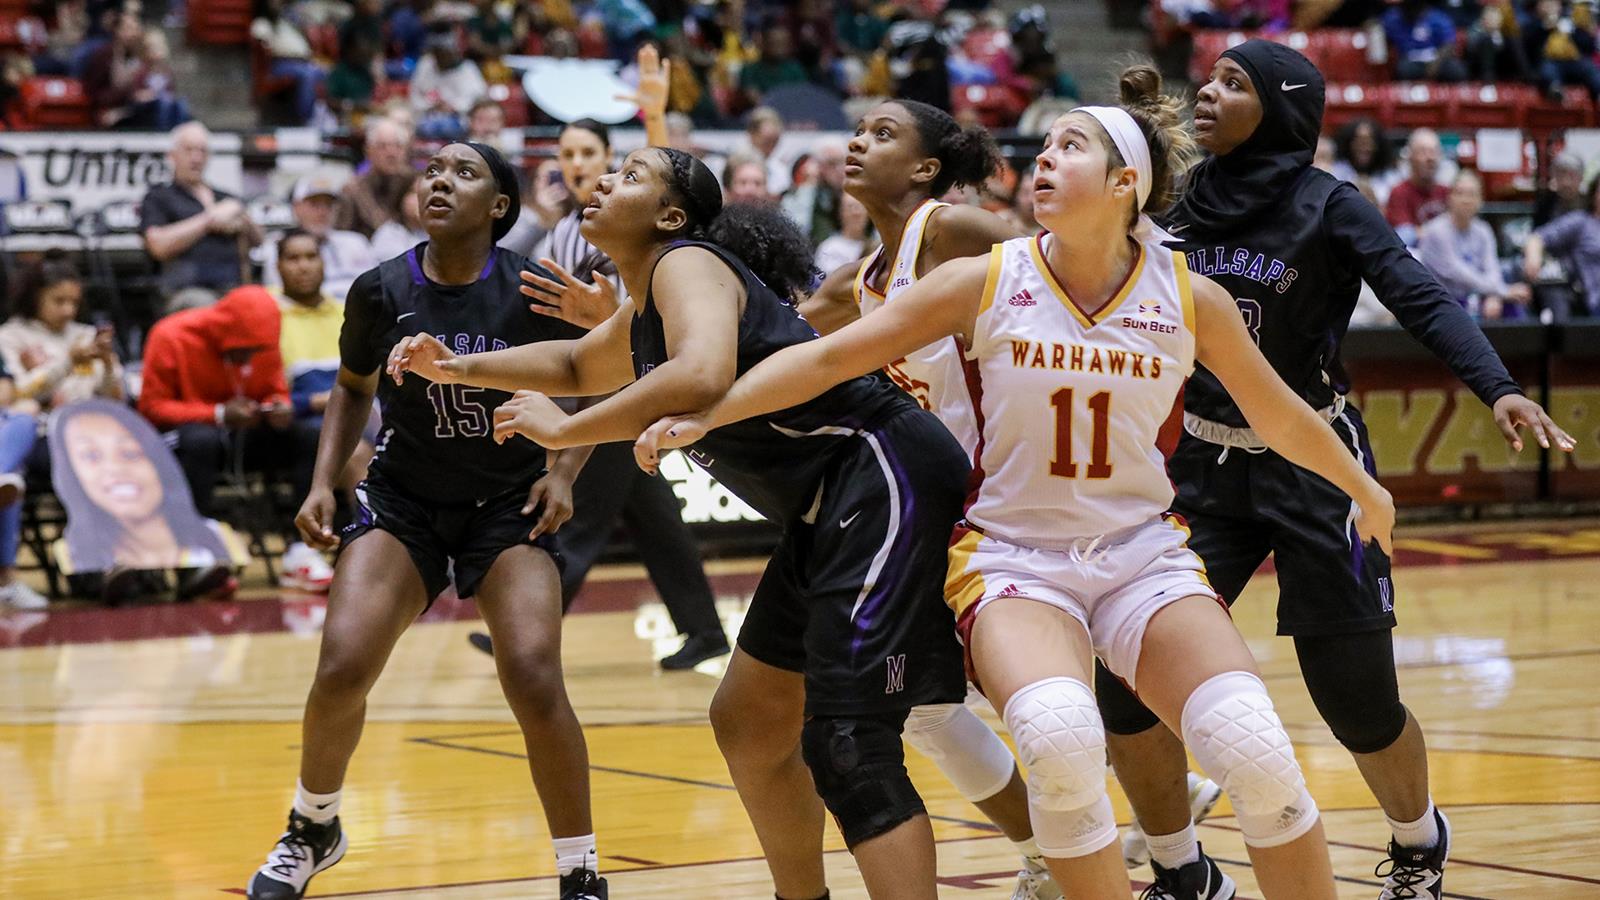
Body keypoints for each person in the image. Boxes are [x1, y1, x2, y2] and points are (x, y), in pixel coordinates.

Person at [632, 65, 1383, 900]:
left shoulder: (1165, 288)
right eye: (1047, 143)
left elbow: (1279, 414)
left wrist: (1364, 487)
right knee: (1039, 735)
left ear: (1125, 182)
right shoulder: (971, 277)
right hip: (1004, 544)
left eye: (1072, 146)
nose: (1045, 157)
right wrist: (704, 410)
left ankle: (1169, 847)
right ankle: (1118, 855)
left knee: (1257, 751)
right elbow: (817, 357)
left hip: (1136, 550)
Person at [388, 152, 972, 900]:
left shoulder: (688, 261)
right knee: (750, 723)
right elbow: (573, 366)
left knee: (851, 742)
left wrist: (565, 436)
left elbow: (700, 375)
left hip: (885, 472)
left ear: (669, 218)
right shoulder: (647, 303)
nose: (604, 181)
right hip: (830, 505)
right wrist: (458, 369)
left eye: (629, 176)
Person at [1094, 41, 1574, 900]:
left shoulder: (1331, 205)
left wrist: (1497, 387)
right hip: (1200, 461)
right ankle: (1180, 869)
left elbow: (1421, 295)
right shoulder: (1185, 199)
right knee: (1124, 681)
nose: (1207, 92)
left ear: (1280, 109)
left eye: (1234, 83)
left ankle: (1418, 843)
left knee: (1354, 701)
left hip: (1313, 461)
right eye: (1210, 78)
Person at [243, 141, 606, 900]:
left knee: (535, 676)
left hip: (508, 503)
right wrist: (322, 483)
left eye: (464, 172)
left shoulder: (535, 290)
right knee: (342, 664)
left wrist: (565, 470)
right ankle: (314, 827)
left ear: (499, 207)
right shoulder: (379, 289)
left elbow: (598, 381)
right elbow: (350, 387)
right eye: (433, 170)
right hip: (404, 499)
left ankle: (579, 871)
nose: (440, 180)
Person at [480, 51, 729, 672]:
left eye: (592, 156)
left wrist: (655, 115)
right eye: (566, 157)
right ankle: (702, 628)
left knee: (581, 504)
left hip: (639, 376)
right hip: (608, 373)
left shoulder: (654, 236)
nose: (579, 166)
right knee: (652, 515)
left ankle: (529, 624)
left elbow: (679, 202)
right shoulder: (567, 230)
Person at [137, 284, 331, 593]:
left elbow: (274, 388)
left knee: (309, 435)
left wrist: (279, 405)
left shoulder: (262, 344)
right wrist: (217, 414)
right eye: (242, 351)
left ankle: (301, 552)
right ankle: (193, 554)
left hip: (245, 436)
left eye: (256, 352)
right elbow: (151, 407)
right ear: (222, 330)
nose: (248, 358)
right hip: (187, 442)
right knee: (201, 440)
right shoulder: (170, 335)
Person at [54, 400, 232, 574]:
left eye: (130, 453)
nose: (115, 469)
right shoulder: (73, 553)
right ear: (72, 475)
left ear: (158, 460)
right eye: (91, 456)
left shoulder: (221, 539)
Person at [272, 229, 376, 519]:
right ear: (278, 266)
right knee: (355, 451)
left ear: (324, 263)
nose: (303, 266)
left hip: (361, 409)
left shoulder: (346, 311)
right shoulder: (267, 313)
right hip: (301, 419)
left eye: (311, 257)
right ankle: (371, 538)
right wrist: (312, 402)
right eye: (293, 258)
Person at [140, 121, 262, 304]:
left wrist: (241, 216)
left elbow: (258, 240)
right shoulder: (159, 197)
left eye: (202, 151)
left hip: (233, 287)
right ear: (172, 156)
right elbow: (158, 246)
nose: (196, 158)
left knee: (262, 303)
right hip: (186, 290)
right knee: (204, 306)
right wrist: (208, 221)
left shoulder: (226, 198)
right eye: (189, 150)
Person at [1418, 171, 1531, 318]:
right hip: (1443, 302)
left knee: (1513, 304)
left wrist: (1494, 296)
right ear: (1450, 198)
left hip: (1477, 296)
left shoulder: (1483, 230)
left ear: (1480, 200)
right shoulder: (1436, 231)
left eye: (1472, 194)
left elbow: (1492, 269)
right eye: (1460, 193)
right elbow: (1457, 273)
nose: (1466, 200)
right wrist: (1501, 291)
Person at [260, 173, 378, 302]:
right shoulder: (277, 246)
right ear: (296, 207)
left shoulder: (356, 242)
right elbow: (280, 297)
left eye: (329, 205)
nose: (322, 212)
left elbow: (376, 287)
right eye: (314, 204)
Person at [1522, 172, 1600, 320]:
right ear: (1594, 194)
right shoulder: (1582, 222)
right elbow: (1536, 238)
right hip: (1593, 301)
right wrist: (1533, 257)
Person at [337, 116, 417, 238]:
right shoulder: (353, 190)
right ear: (368, 151)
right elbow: (342, 238)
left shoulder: (414, 183)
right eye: (382, 146)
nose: (391, 153)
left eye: (398, 146)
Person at [250, 0, 326, 125]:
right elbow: (263, 45)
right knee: (308, 74)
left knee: (323, 72)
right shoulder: (262, 23)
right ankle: (306, 120)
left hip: (303, 63)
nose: (278, 4)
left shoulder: (287, 22)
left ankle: (323, 119)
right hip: (279, 64)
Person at [1384, 128, 1449, 246]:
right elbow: (1404, 237)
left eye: (1434, 152)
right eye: (1423, 152)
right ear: (1410, 158)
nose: (1430, 158)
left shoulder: (1447, 192)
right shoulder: (1399, 192)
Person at [1382, 0, 1467, 82]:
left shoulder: (1438, 18)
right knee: (1403, 69)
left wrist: (1435, 64)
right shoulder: (1394, 19)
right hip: (1411, 61)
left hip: (1436, 59)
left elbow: (1449, 44)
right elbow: (1380, 31)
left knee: (1457, 70)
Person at [1329, 117, 1400, 209]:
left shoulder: (1391, 177)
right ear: (1349, 144)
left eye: (1369, 142)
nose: (1363, 148)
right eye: (1359, 142)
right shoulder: (1336, 173)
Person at [370, 173, 429, 261]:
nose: (422, 200)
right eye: (415, 193)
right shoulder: (390, 233)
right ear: (401, 198)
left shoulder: (445, 234)